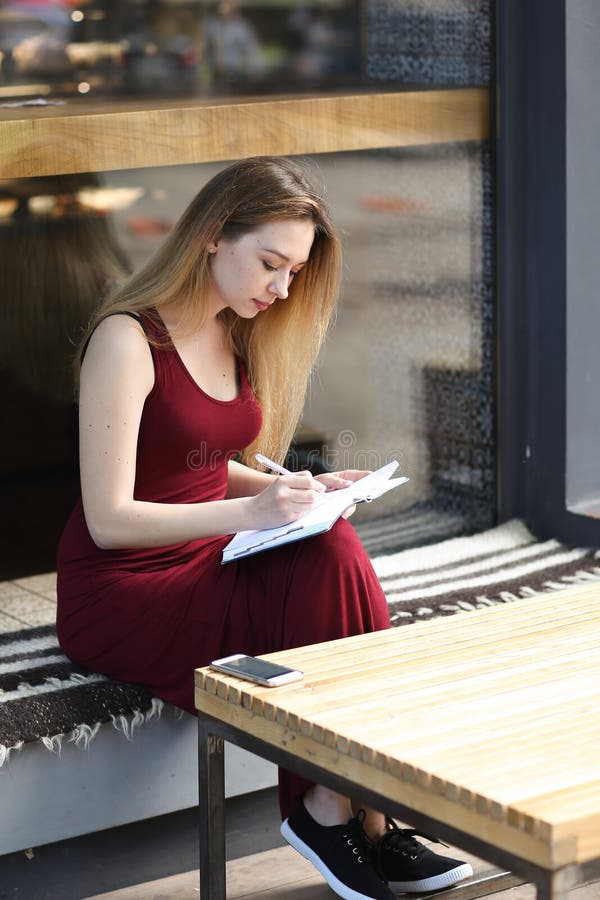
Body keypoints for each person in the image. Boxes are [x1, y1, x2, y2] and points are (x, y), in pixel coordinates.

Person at [56, 156, 472, 900]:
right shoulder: (128, 340)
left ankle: (357, 811)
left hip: (206, 556)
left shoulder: (229, 327)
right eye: (271, 265)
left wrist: (298, 489)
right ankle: (341, 809)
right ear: (214, 235)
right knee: (325, 561)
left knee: (332, 543)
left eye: (292, 274)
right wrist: (254, 512)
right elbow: (110, 519)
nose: (280, 290)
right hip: (123, 589)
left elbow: (202, 467)